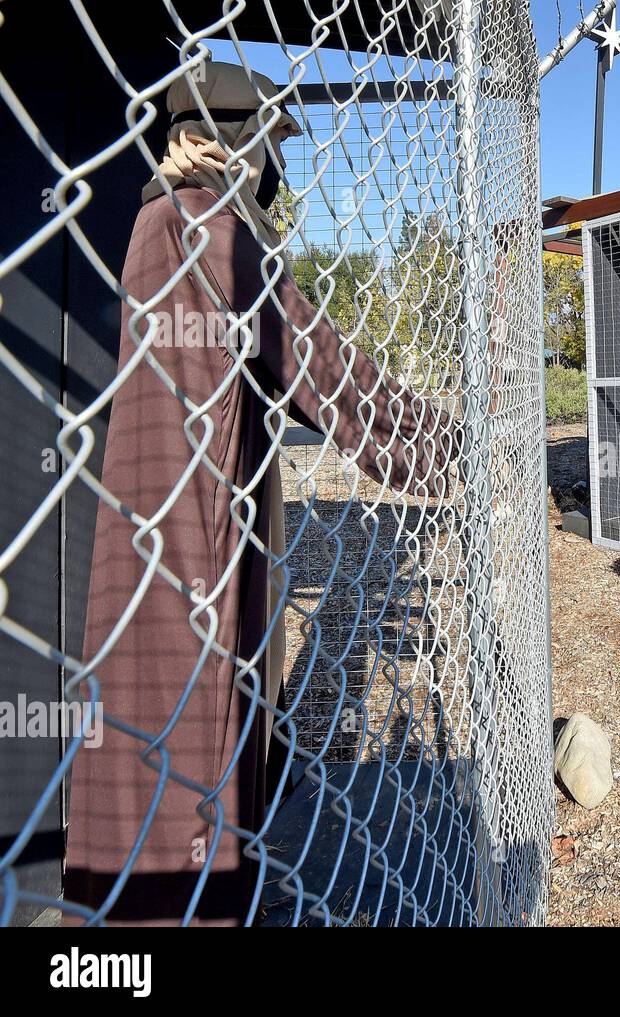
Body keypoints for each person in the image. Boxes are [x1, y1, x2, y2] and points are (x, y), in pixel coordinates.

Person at [64, 62, 456, 924]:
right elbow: (321, 368)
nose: (277, 168)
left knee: (172, 723)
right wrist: (445, 449)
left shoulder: (165, 220)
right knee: (188, 723)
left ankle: (161, 895)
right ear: (232, 142)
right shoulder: (204, 225)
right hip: (191, 533)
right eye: (269, 146)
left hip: (180, 520)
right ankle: (179, 906)